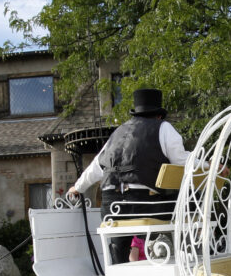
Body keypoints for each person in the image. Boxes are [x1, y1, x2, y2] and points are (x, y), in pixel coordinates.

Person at [67, 88, 190, 265]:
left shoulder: (118, 132)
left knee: (120, 240)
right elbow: (181, 159)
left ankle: (118, 271)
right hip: (143, 205)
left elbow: (96, 166)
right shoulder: (163, 127)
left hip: (111, 208)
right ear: (158, 115)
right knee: (187, 201)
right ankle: (179, 259)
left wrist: (77, 188)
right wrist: (210, 163)